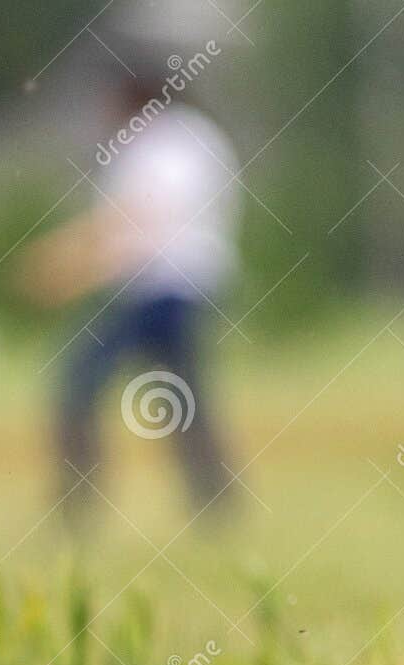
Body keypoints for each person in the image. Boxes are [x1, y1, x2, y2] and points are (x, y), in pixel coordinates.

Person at [20, 72, 241, 522]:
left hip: (156, 290)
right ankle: (217, 505)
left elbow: (130, 223)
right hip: (195, 287)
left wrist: (64, 270)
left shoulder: (148, 146)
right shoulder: (199, 138)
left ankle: (76, 504)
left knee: (79, 385)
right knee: (184, 402)